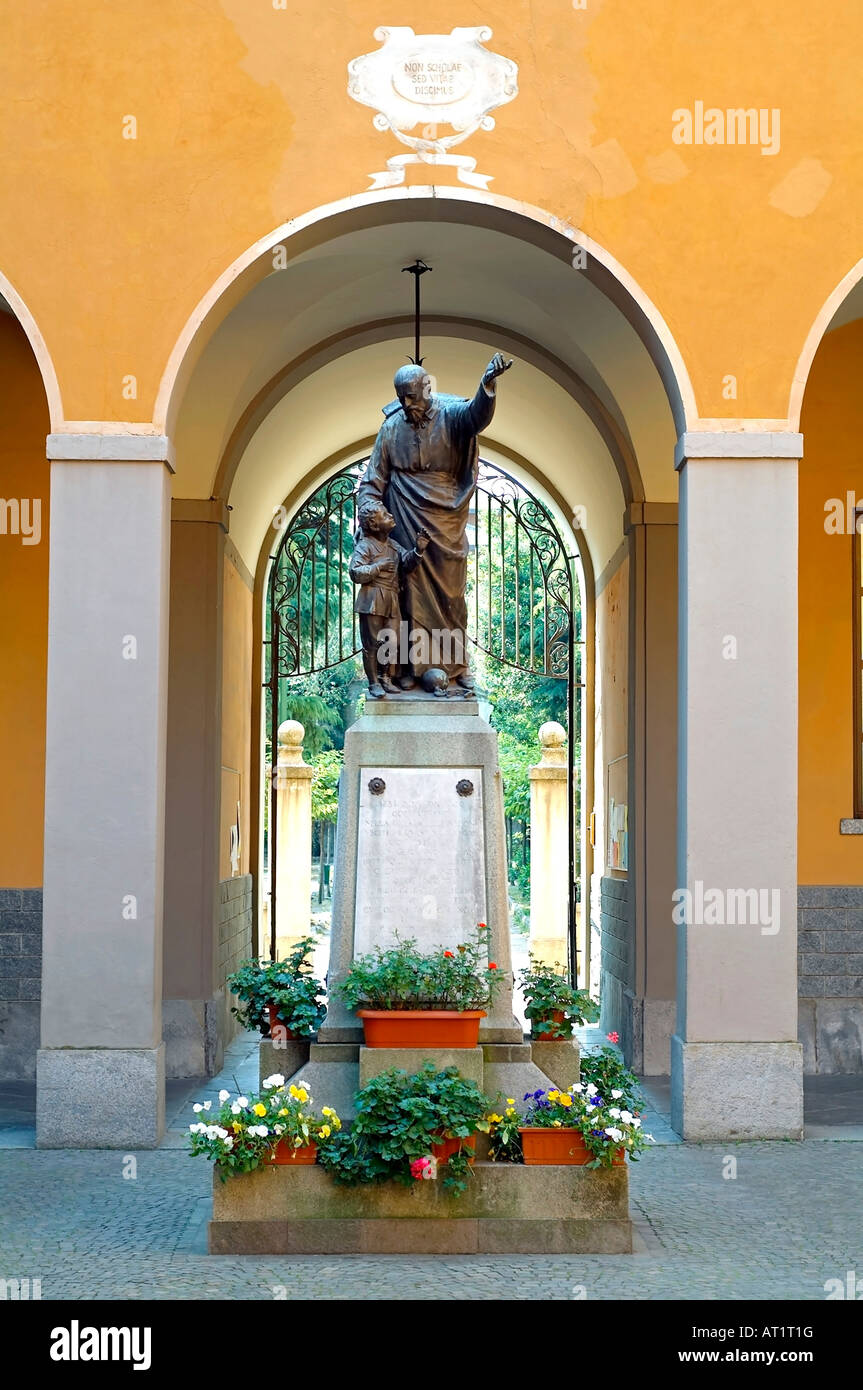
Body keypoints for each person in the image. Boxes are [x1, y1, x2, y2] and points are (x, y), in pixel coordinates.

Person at [356, 351, 513, 689]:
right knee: (409, 598)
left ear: (426, 389)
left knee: (452, 596)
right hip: (404, 520)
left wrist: (487, 385)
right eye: (400, 397)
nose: (405, 403)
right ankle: (413, 671)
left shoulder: (451, 414)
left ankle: (456, 669)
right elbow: (373, 481)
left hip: (446, 520)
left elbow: (476, 417)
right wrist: (369, 515)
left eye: (410, 396)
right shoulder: (391, 427)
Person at [349, 501, 428, 698]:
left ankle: (385, 677)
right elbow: (355, 572)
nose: (391, 516)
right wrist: (379, 567)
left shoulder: (393, 545)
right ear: (374, 525)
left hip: (391, 598)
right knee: (372, 643)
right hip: (372, 598)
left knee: (392, 641)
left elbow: (406, 564)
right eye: (385, 515)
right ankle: (373, 682)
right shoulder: (365, 546)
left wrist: (418, 550)